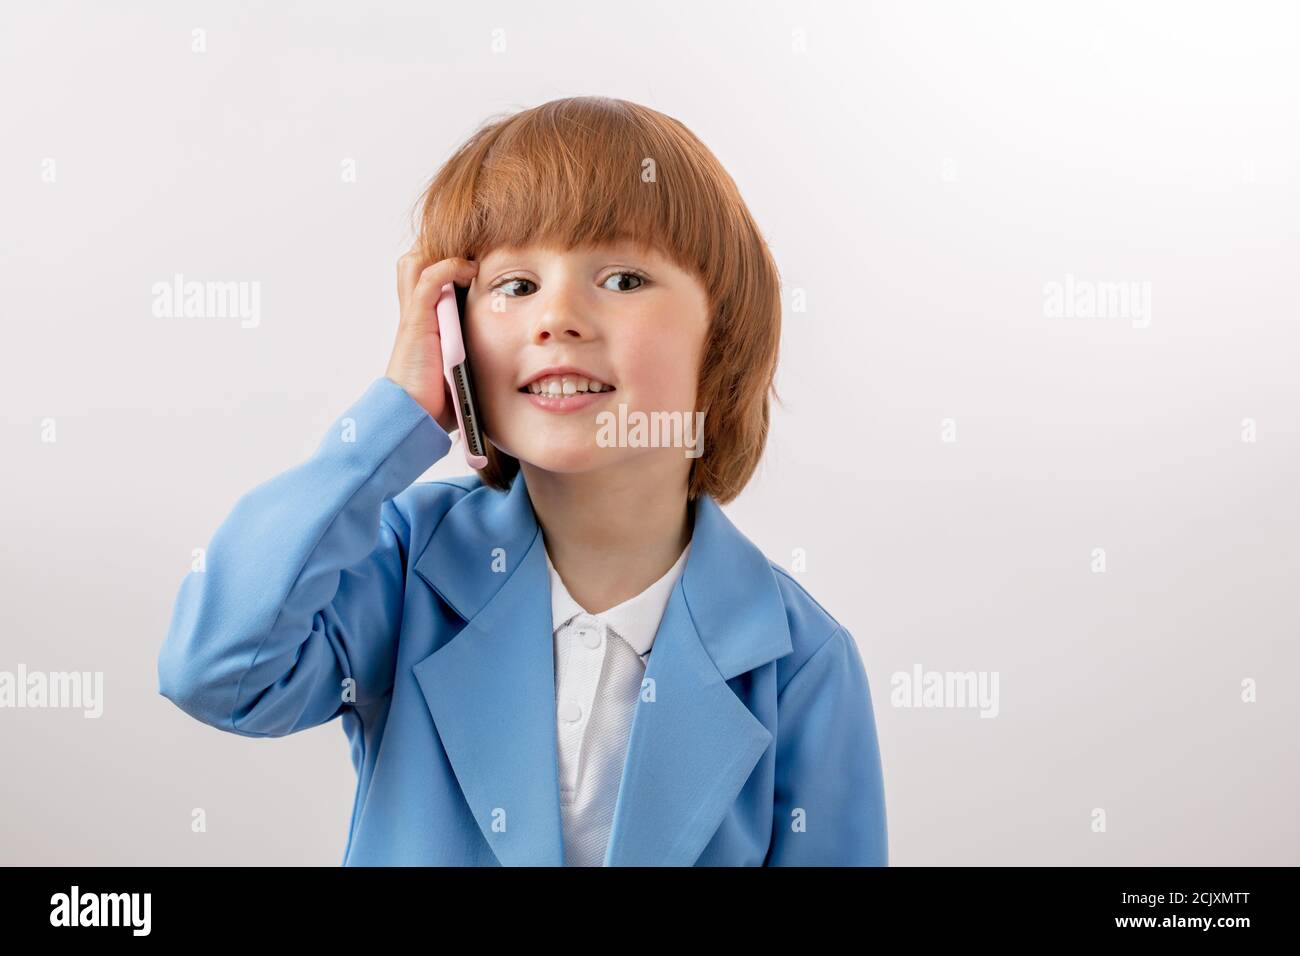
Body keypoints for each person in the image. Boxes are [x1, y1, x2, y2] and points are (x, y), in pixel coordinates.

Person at [157, 95, 888, 866]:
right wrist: (396, 416)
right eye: (514, 286)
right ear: (451, 337)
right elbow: (218, 670)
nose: (558, 317)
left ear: (725, 337)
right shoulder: (407, 570)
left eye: (625, 277)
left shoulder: (801, 662)